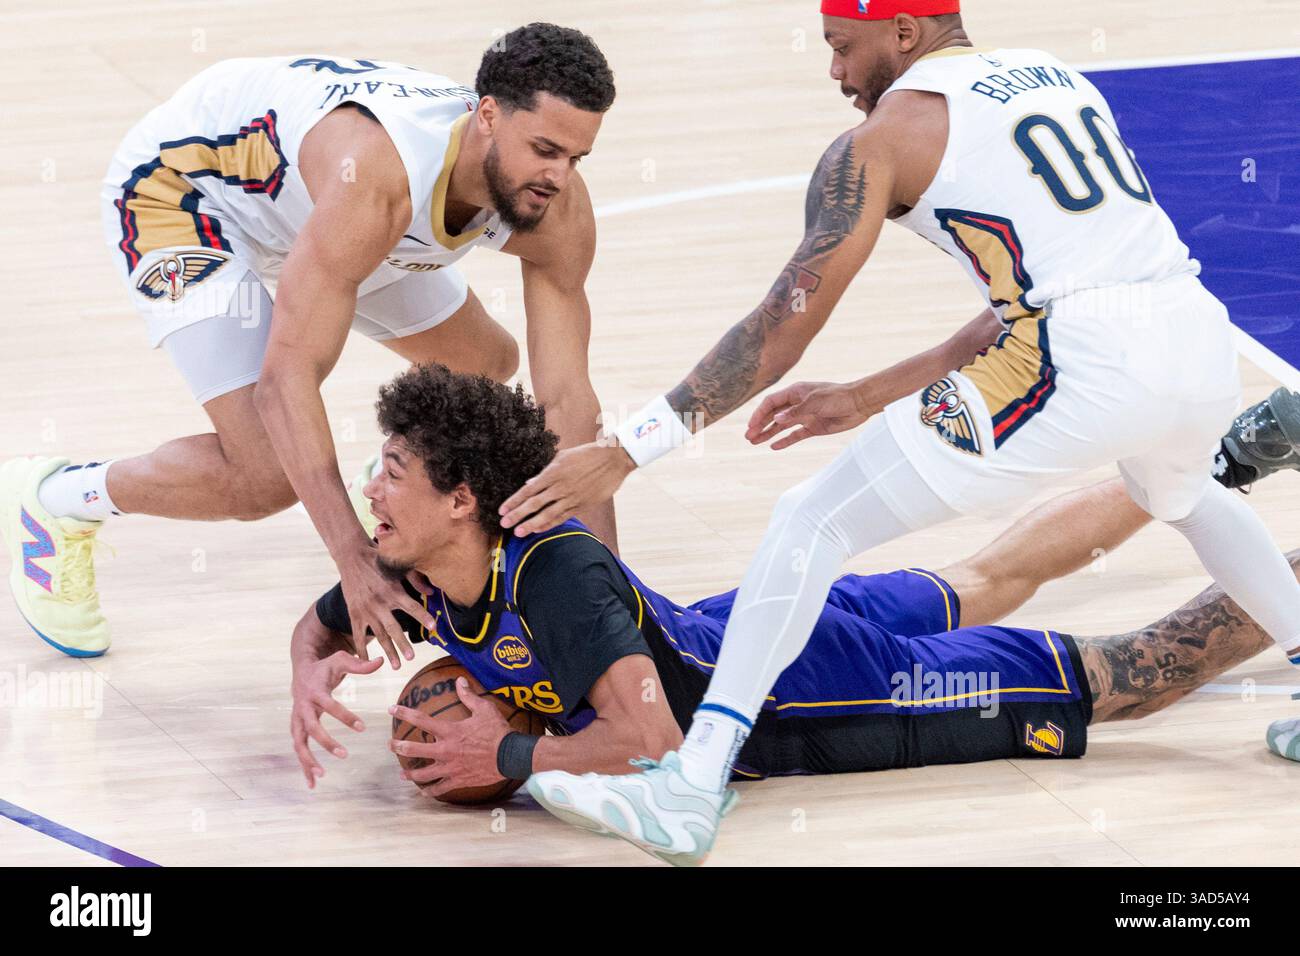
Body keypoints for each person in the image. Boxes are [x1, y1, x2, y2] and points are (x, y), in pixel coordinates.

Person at [494, 1, 1300, 861]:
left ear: (904, 34)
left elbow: (779, 328)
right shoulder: (1053, 75)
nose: (836, 72)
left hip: (1079, 360)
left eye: (844, 47)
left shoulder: (882, 141)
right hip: (1196, 339)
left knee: (813, 520)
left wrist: (625, 450)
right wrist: (871, 392)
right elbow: (1043, 287)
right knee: (1181, 492)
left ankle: (691, 785)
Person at [286, 365, 1300, 867]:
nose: (371, 490)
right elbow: (320, 625)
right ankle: (1217, 461)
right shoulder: (409, 568)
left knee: (1121, 675)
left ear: (462, 499)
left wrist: (509, 760)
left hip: (806, 695)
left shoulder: (553, 576)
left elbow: (656, 738)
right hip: (757, 615)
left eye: (393, 471)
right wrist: (309, 667)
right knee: (981, 577)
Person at [0, 23, 617, 666]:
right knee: (265, 476)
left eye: (576, 158)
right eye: (544, 149)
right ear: (486, 115)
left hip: (316, 206)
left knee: (483, 364)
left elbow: (569, 404)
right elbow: (286, 379)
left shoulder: (555, 205)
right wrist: (356, 559)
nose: (559, 177)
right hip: (187, 191)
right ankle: (55, 499)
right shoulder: (381, 178)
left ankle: (390, 494)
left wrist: (608, 601)